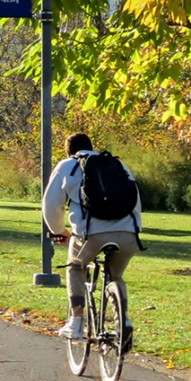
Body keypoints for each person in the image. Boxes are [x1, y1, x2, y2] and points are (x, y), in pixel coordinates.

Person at [42, 132, 142, 340]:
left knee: (75, 267)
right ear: (91, 146)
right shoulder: (117, 165)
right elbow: (135, 198)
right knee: (116, 276)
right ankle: (123, 320)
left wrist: (59, 232)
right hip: (128, 233)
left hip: (91, 234)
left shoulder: (67, 166)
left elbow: (51, 205)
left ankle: (76, 322)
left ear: (69, 151)